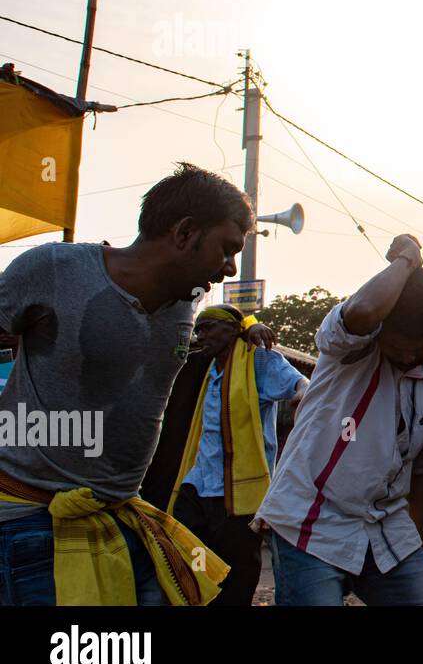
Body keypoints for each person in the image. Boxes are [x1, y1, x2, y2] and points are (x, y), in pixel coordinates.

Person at [0, 163, 268, 605]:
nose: (229, 268)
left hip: (126, 515)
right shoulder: (52, 269)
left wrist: (250, 323)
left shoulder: (189, 301)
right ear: (184, 233)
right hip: (32, 522)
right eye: (226, 249)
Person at [253, 234, 423, 606]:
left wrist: (422, 550)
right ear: (381, 330)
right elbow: (363, 310)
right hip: (310, 520)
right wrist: (407, 260)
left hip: (386, 527)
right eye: (398, 348)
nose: (409, 357)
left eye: (419, 346)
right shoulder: (352, 343)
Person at [168, 303, 308, 605]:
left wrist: (301, 398)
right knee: (190, 553)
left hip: (238, 490)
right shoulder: (205, 368)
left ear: (232, 330)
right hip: (198, 484)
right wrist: (247, 323)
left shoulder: (259, 361)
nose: (200, 335)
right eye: (198, 328)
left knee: (237, 570)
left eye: (207, 327)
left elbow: (304, 385)